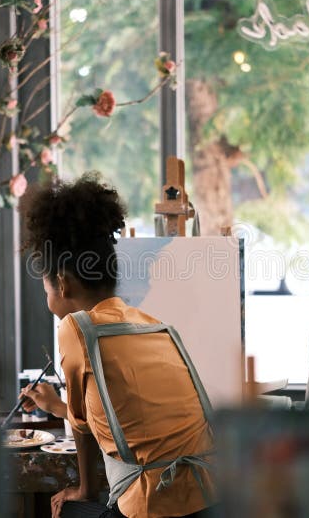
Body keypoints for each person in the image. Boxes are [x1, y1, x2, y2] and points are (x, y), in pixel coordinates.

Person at [18, 173, 216, 518]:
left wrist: (84, 491)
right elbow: (127, 420)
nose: (47, 296)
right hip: (210, 498)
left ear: (62, 283)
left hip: (153, 507)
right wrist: (57, 407)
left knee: (67, 510)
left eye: (46, 288)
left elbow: (82, 428)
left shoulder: (76, 328)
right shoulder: (153, 325)